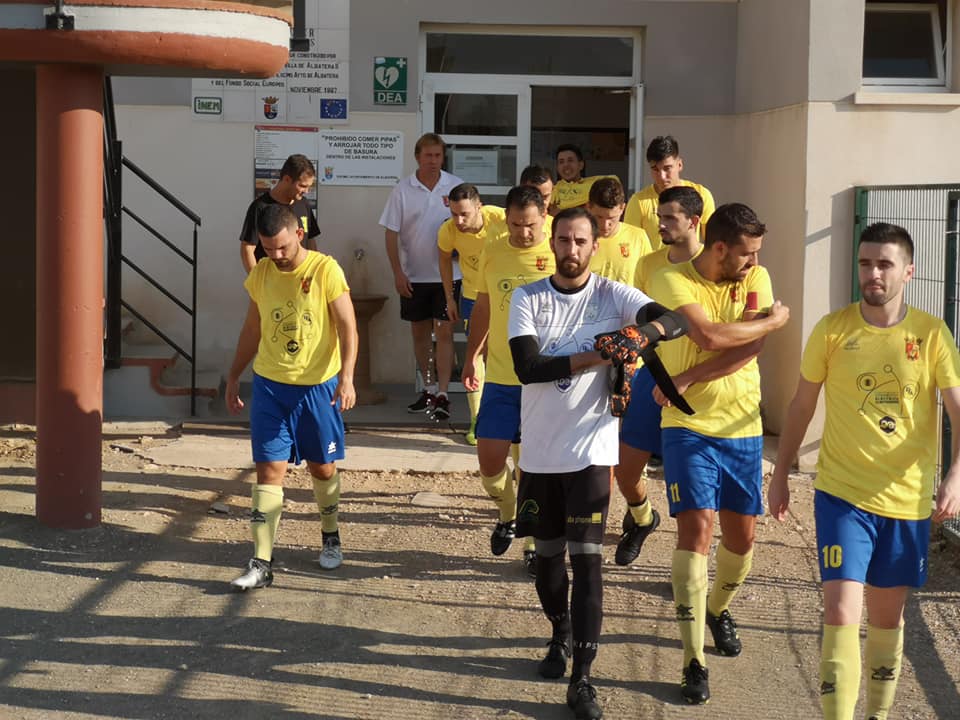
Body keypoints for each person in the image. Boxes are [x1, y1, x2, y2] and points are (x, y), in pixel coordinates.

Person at [768, 222, 960, 720]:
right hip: (841, 495)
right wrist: (781, 471)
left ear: (909, 272)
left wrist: (956, 477)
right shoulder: (833, 329)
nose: (872, 273)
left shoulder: (932, 334)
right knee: (838, 613)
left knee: (885, 622)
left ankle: (877, 713)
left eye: (884, 264)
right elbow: (801, 405)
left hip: (906, 501)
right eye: (865, 263)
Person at [509, 206, 688, 719]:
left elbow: (670, 320)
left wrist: (638, 338)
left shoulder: (613, 294)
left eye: (580, 241)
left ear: (594, 245)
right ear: (552, 242)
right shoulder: (528, 297)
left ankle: (583, 679)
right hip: (541, 451)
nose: (571, 250)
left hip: (591, 451)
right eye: (563, 239)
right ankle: (559, 632)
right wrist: (602, 353)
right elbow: (528, 367)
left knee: (587, 562)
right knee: (546, 562)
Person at [647, 203, 790, 704]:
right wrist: (769, 323)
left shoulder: (759, 274)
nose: (754, 263)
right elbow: (709, 336)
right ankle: (692, 659)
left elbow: (746, 349)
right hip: (685, 423)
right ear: (720, 248)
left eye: (757, 254)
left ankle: (715, 609)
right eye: (746, 254)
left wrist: (692, 371)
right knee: (697, 528)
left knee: (742, 539)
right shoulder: (671, 280)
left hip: (742, 426)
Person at [225, 204, 358, 589]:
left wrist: (347, 378)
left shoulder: (325, 270)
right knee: (269, 470)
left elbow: (349, 328)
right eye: (268, 249)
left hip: (318, 387)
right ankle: (261, 562)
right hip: (270, 385)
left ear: (299, 234)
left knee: (322, 467)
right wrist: (234, 375)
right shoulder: (262, 274)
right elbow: (253, 326)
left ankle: (330, 533)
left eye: (282, 247)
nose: (276, 256)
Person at [462, 185, 554, 577]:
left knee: (532, 466)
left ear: (543, 216)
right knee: (489, 462)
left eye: (530, 225)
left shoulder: (557, 252)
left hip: (543, 381)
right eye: (516, 224)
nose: (523, 233)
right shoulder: (494, 249)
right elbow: (483, 305)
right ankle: (508, 513)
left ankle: (532, 542)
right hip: (499, 376)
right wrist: (471, 356)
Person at [613, 185, 704, 567]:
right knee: (625, 470)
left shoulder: (713, 264)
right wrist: (627, 374)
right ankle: (642, 518)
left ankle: (688, 572)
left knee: (694, 490)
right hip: (652, 376)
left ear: (694, 222)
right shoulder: (649, 264)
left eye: (670, 219)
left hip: (698, 383)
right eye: (659, 218)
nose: (661, 225)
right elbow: (636, 324)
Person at [379, 133, 463, 420]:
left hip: (448, 277)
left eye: (438, 156)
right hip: (413, 276)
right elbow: (391, 233)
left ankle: (443, 394)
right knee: (419, 334)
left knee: (444, 332)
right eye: (428, 156)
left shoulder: (454, 186)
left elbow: (470, 225)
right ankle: (427, 389)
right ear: (417, 157)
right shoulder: (403, 189)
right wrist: (397, 273)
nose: (433, 161)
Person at [438, 183, 507, 444]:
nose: (459, 220)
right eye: (454, 213)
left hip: (503, 294)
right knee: (474, 353)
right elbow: (443, 259)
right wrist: (449, 298)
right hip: (472, 296)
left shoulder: (500, 218)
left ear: (479, 207)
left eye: (464, 214)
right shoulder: (447, 230)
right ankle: (478, 417)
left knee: (499, 353)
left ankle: (505, 412)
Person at [624, 136, 716, 252]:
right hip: (653, 268)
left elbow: (713, 241)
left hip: (689, 267)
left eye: (667, 168)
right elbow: (630, 245)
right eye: (655, 169)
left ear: (679, 165)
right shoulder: (638, 201)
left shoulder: (702, 195)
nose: (662, 176)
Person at [239, 154, 321, 273]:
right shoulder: (260, 207)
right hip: (271, 284)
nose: (306, 191)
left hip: (300, 284)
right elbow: (247, 248)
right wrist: (256, 283)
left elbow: (311, 241)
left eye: (309, 187)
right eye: (303, 186)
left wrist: (314, 272)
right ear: (287, 179)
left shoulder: (304, 204)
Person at [585, 177, 652, 285]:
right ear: (588, 207)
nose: (605, 225)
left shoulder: (638, 237)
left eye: (612, 218)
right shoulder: (577, 239)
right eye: (599, 217)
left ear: (622, 208)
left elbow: (649, 281)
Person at [549, 145, 614, 215]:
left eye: (570, 160)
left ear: (581, 165)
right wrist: (585, 207)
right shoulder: (554, 188)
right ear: (557, 167)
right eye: (561, 162)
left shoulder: (593, 184)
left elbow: (614, 180)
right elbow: (551, 212)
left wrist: (563, 211)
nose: (566, 165)